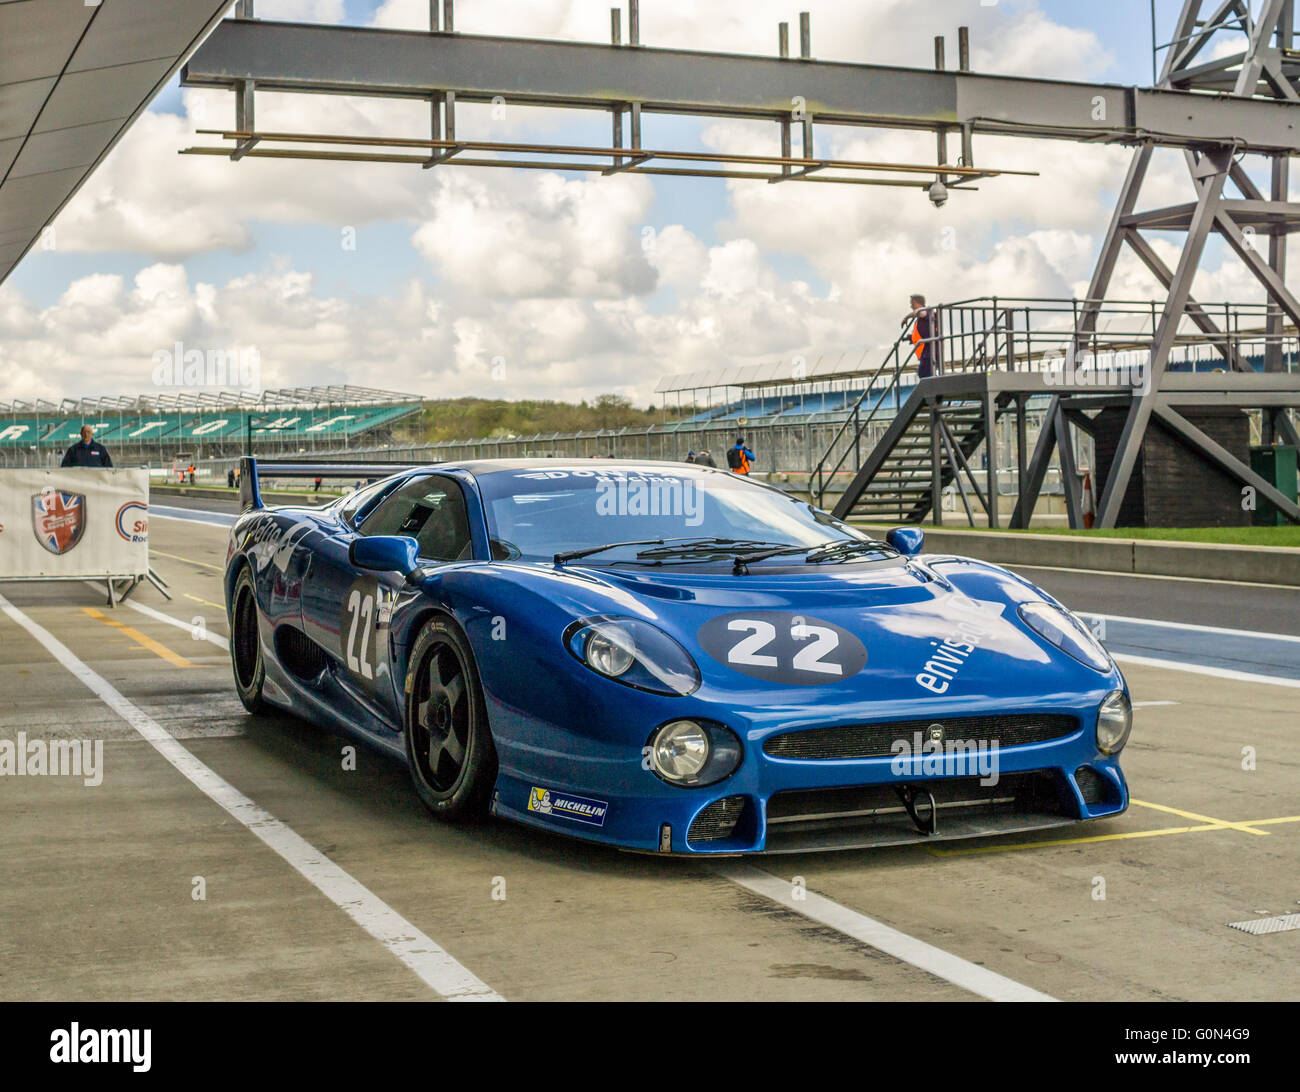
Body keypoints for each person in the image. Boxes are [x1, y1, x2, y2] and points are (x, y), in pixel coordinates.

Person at [905, 293, 936, 379]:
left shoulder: (927, 311)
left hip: (929, 351)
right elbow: (924, 332)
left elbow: (921, 313)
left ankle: (933, 391)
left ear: (917, 302)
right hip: (925, 351)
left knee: (924, 373)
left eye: (912, 303)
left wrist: (907, 317)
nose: (911, 306)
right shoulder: (922, 319)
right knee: (924, 373)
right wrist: (911, 338)